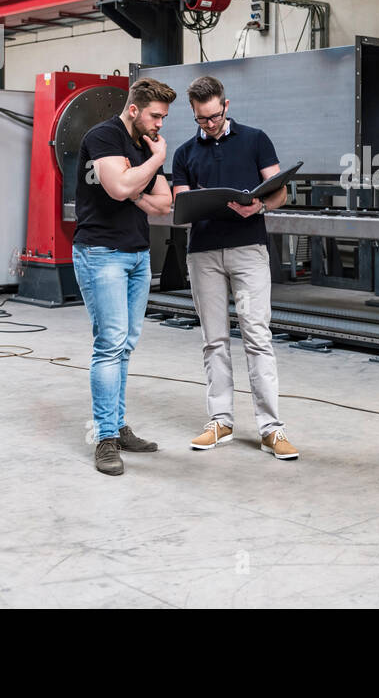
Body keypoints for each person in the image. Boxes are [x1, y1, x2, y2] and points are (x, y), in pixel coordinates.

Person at [170, 75, 298, 460]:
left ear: (226, 106)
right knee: (214, 339)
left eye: (212, 116)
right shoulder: (184, 153)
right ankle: (220, 421)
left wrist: (257, 206)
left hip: (248, 251)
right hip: (204, 254)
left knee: (257, 336)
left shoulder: (256, 139)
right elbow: (180, 204)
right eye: (200, 119)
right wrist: (195, 203)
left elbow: (280, 191)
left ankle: (271, 429)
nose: (208, 124)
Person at [72, 76, 176, 475]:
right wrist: (153, 163)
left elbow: (164, 204)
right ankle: (105, 438)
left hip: (137, 255)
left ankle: (116, 425)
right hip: (102, 253)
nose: (160, 125)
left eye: (164, 118)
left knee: (126, 345)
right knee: (109, 344)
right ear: (134, 109)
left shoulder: (144, 144)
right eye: (155, 116)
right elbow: (116, 188)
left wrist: (138, 188)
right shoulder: (104, 137)